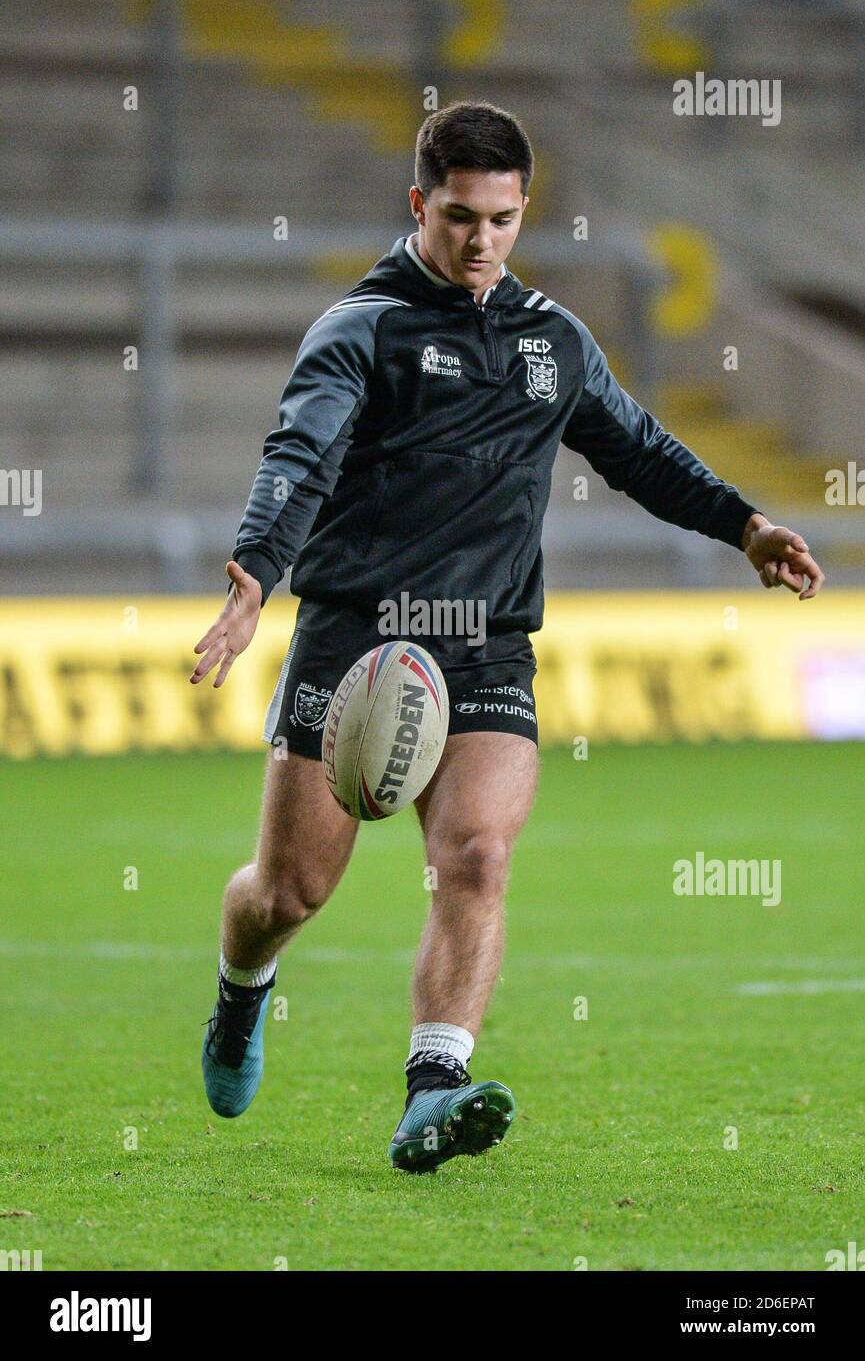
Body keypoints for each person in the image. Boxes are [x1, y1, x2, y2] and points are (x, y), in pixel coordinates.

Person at [191, 100, 824, 1173]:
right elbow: (298, 454)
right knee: (287, 892)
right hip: (357, 638)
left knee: (477, 855)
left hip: (484, 641)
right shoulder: (363, 329)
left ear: (524, 211)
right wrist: (257, 574)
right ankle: (241, 995)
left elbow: (639, 449)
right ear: (416, 205)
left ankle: (431, 1087)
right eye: (457, 218)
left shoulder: (552, 340)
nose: (479, 240)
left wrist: (744, 524)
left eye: (501, 219)